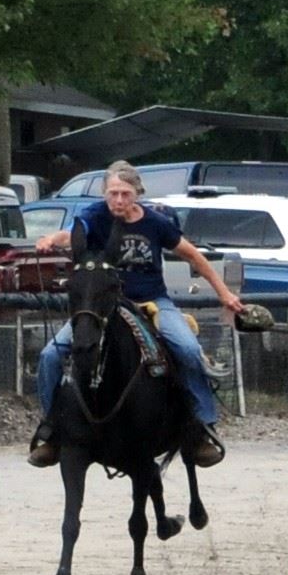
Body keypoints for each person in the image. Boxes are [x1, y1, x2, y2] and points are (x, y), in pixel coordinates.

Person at [28, 161, 245, 468]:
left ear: (137, 194)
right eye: (113, 193)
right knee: (51, 355)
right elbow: (74, 232)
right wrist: (52, 239)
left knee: (187, 349)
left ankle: (202, 425)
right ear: (104, 193)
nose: (118, 200)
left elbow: (193, 255)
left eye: (125, 194)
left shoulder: (155, 223)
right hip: (106, 304)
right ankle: (52, 430)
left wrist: (225, 293)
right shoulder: (95, 216)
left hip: (151, 300)